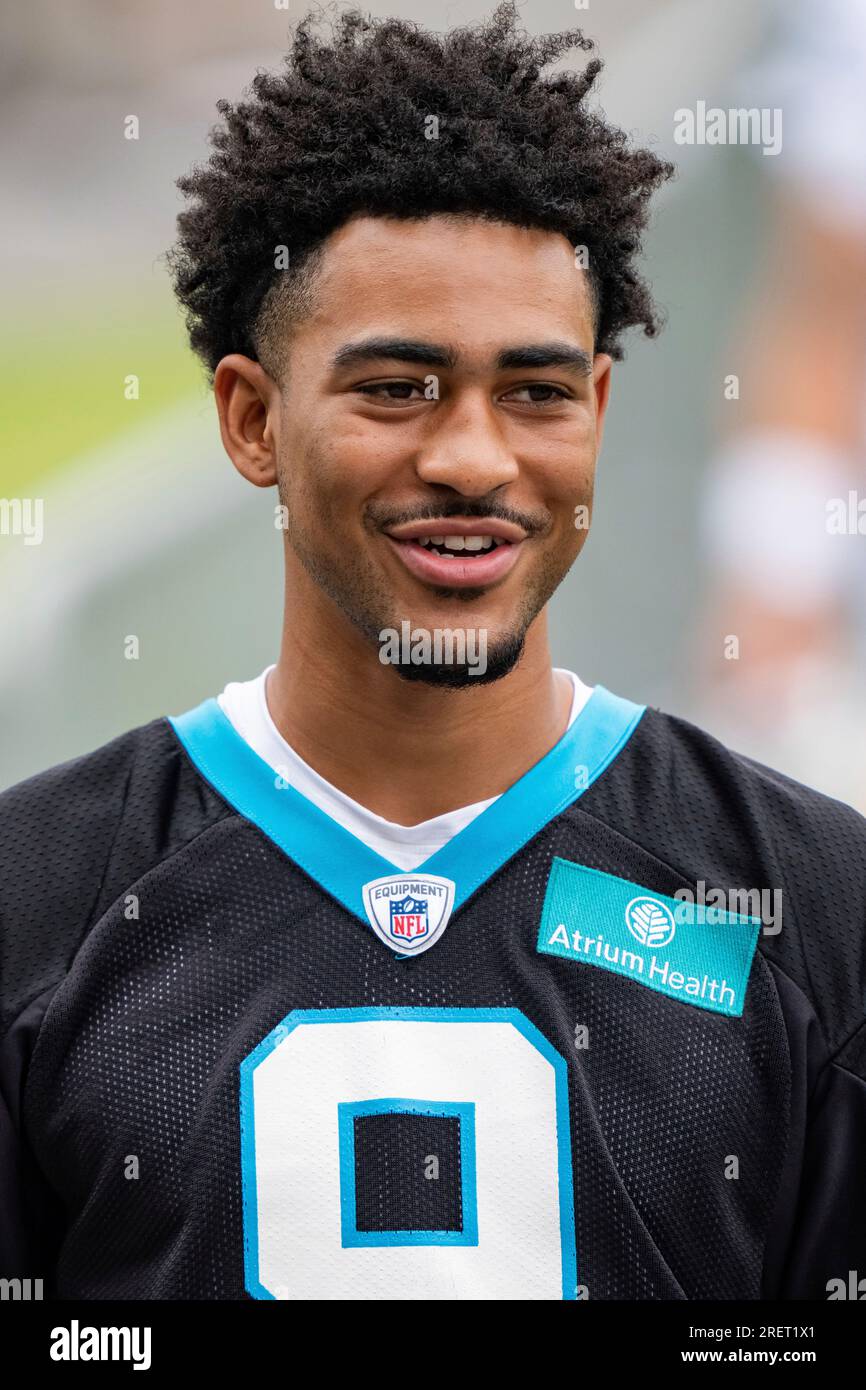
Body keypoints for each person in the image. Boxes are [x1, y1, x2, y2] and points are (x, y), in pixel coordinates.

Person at [1, 4, 864, 1301]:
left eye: (535, 390)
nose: (473, 458)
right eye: (396, 388)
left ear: (599, 412)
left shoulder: (798, 900)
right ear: (250, 419)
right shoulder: (42, 897)